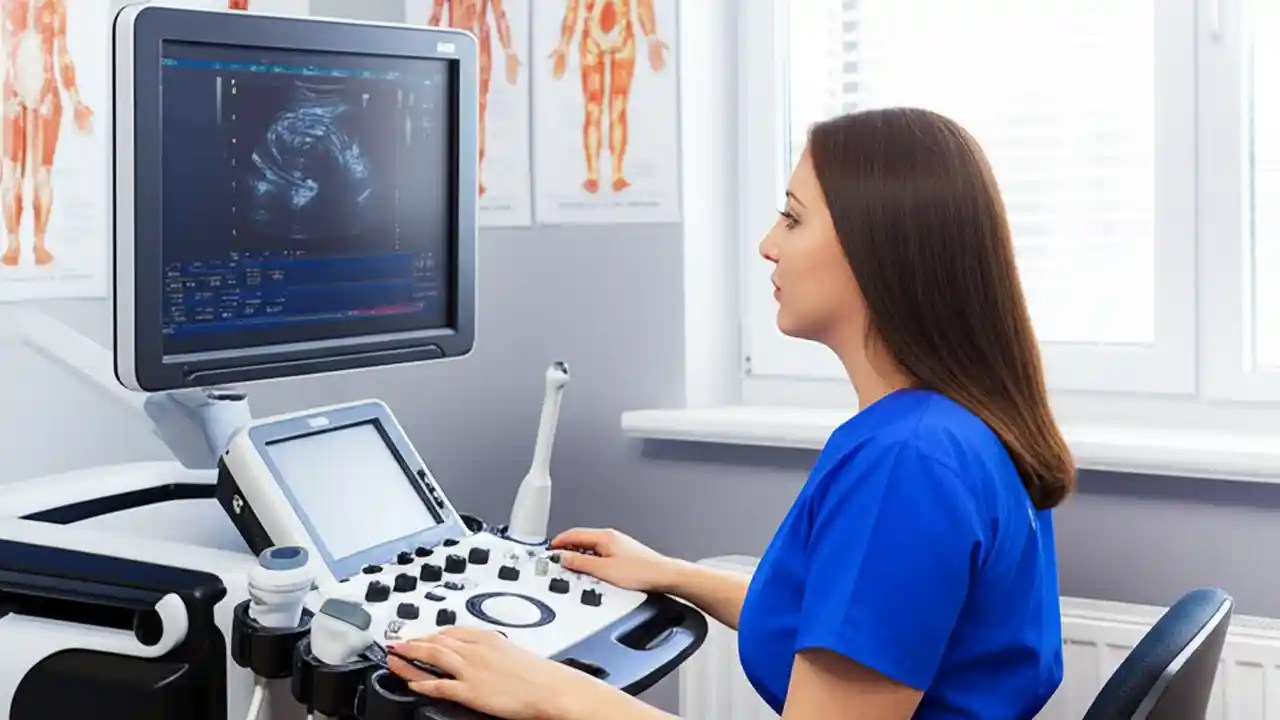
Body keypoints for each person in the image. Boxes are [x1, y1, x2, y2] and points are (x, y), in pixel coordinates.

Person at [388, 107, 1073, 719]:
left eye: (793, 218)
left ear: (878, 247)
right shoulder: (956, 429)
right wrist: (675, 575)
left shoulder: (906, 463)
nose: (769, 243)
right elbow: (865, 623)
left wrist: (551, 693)